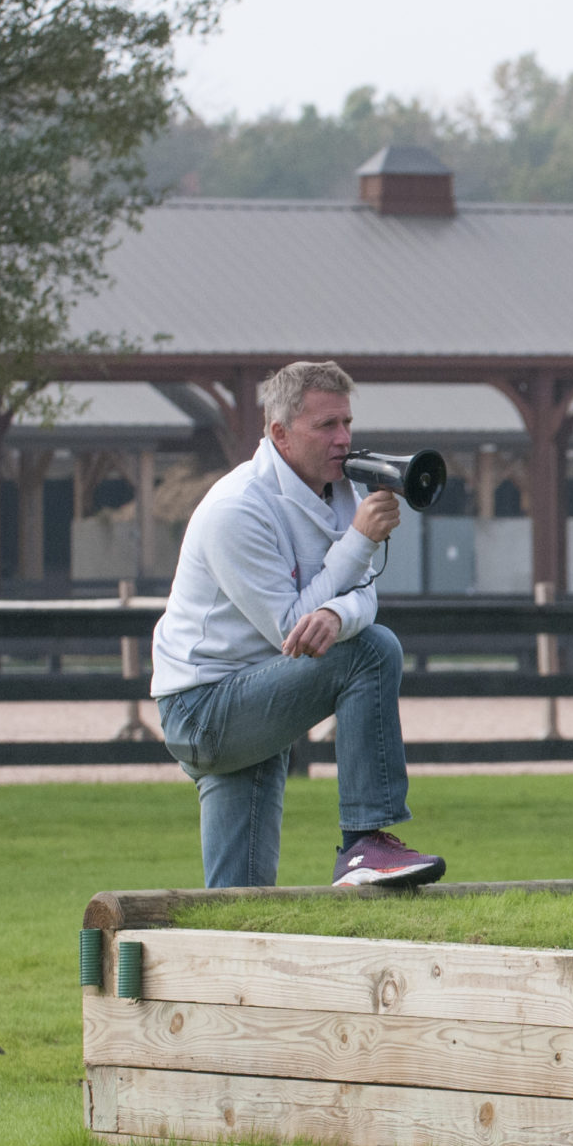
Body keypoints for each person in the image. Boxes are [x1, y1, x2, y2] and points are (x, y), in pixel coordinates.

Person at [150, 361, 447, 889]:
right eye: (326, 426)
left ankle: (229, 964)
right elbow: (289, 632)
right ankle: (364, 843)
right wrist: (357, 543)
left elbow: (360, 596)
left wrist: (336, 612)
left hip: (257, 687)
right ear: (279, 434)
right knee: (372, 651)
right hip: (203, 708)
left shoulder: (341, 493)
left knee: (240, 898)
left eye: (347, 423)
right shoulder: (236, 509)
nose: (344, 439)